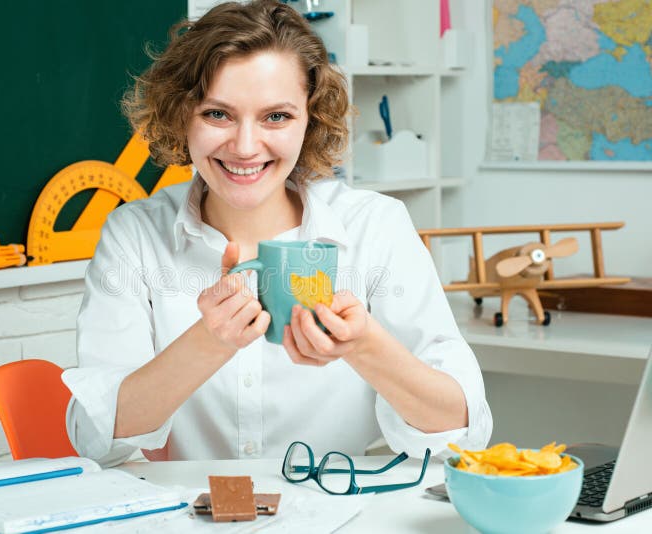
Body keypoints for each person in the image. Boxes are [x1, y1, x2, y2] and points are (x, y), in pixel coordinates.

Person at [63, 0, 492, 467]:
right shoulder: (135, 235)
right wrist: (208, 342)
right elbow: (99, 439)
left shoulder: (376, 226)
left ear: (310, 120)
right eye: (217, 114)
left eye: (276, 117)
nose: (246, 147)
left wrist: (365, 345)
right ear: (181, 114)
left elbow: (462, 432)